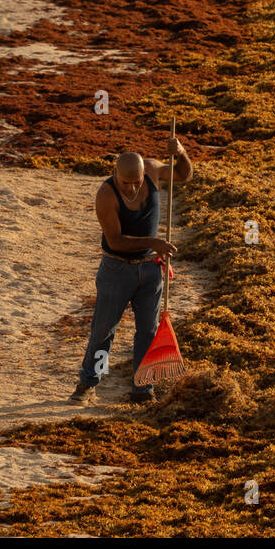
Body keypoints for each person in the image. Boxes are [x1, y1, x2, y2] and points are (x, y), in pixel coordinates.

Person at [69, 138, 192, 405]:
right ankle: (89, 382)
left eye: (137, 181)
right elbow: (116, 241)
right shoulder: (106, 195)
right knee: (104, 329)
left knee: (147, 331)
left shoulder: (151, 170)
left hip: (150, 269)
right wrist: (153, 243)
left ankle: (142, 389)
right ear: (115, 175)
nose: (133, 187)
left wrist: (180, 153)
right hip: (117, 270)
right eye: (126, 183)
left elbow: (183, 174)